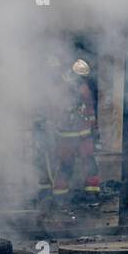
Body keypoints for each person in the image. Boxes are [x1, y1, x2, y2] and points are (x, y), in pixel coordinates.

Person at [52, 58, 101, 199]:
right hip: (77, 137)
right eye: (81, 77)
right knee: (78, 166)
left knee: (69, 167)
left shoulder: (70, 88)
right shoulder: (76, 89)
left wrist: (94, 129)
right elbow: (88, 111)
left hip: (74, 136)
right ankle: (64, 198)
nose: (83, 80)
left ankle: (63, 198)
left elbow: (89, 111)